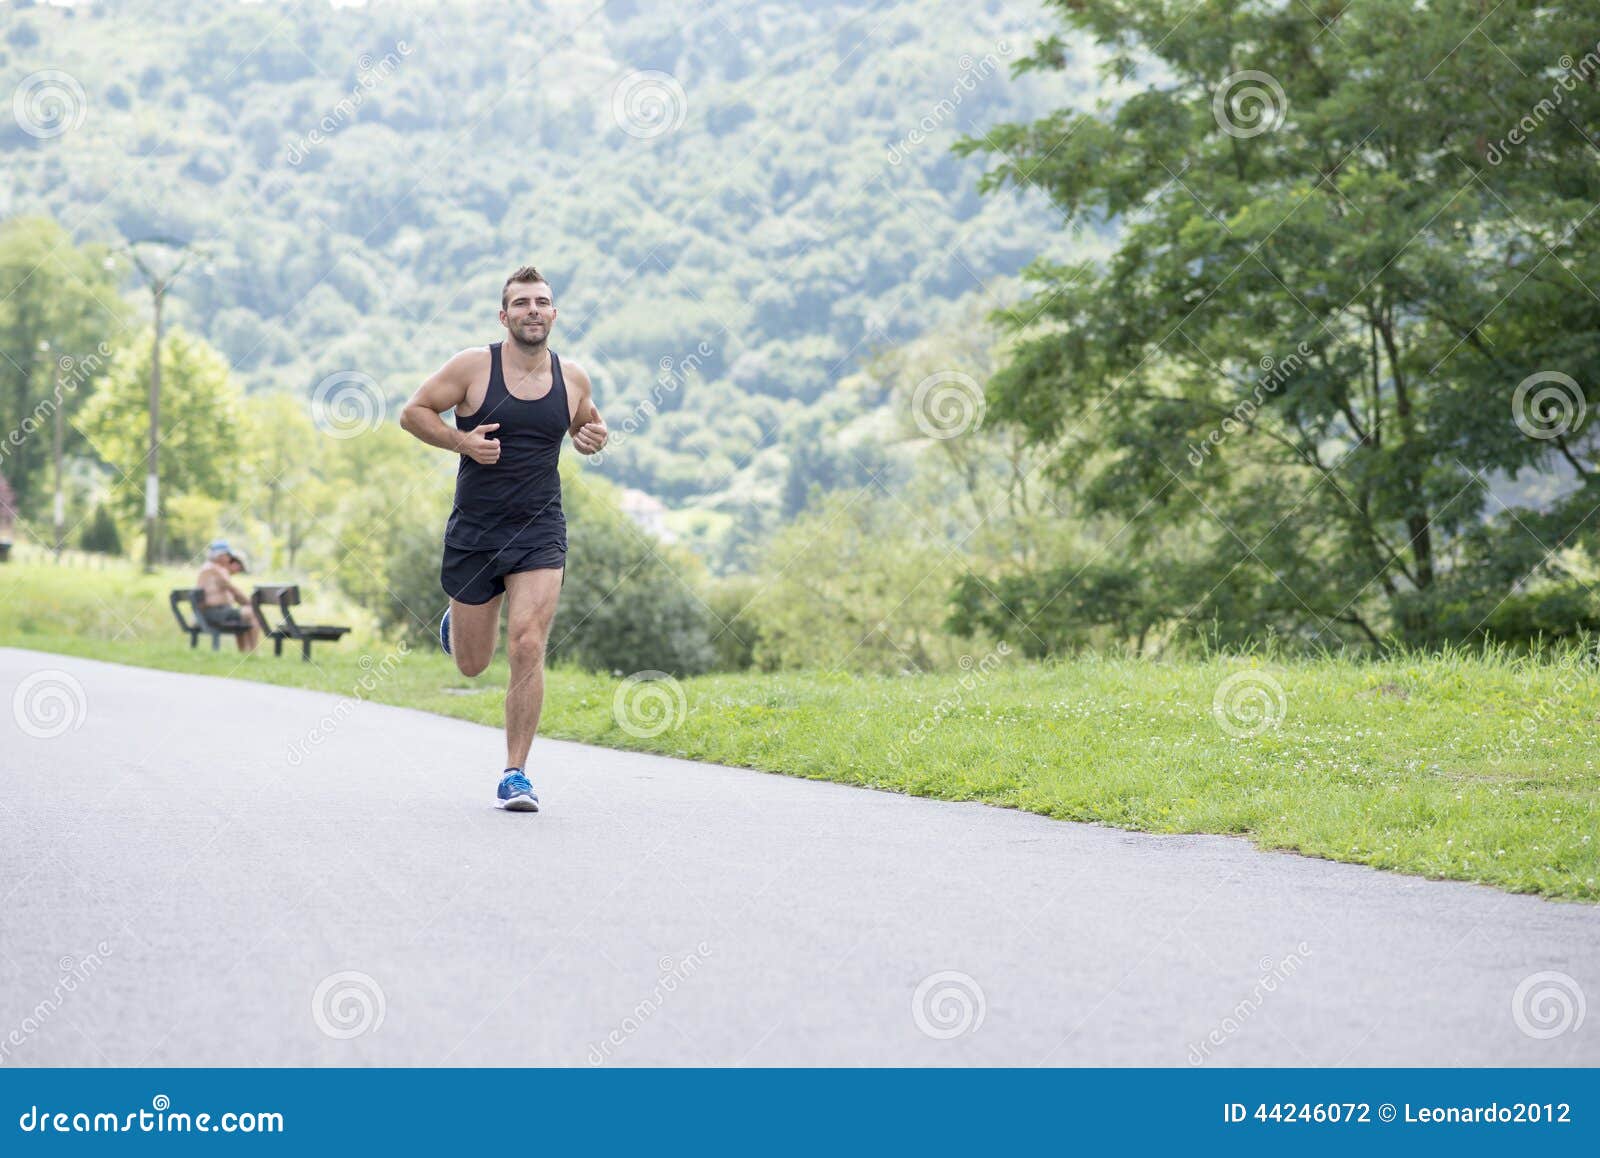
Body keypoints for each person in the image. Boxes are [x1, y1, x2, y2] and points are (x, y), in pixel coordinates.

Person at [399, 265, 608, 812]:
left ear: (554, 314)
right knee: (473, 664)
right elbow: (413, 413)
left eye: (542, 302)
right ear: (504, 315)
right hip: (475, 531)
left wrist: (593, 436)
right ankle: (459, 625)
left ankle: (516, 773)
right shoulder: (473, 366)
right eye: (521, 303)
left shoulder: (573, 377)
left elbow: (588, 425)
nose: (533, 310)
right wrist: (460, 442)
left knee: (528, 644)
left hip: (540, 531)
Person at [196, 539, 261, 653]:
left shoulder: (210, 568)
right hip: (214, 612)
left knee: (244, 614)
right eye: (228, 555)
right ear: (220, 555)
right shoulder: (214, 570)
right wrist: (251, 604)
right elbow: (234, 591)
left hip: (215, 611)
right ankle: (253, 651)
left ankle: (244, 652)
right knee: (253, 613)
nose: (229, 559)